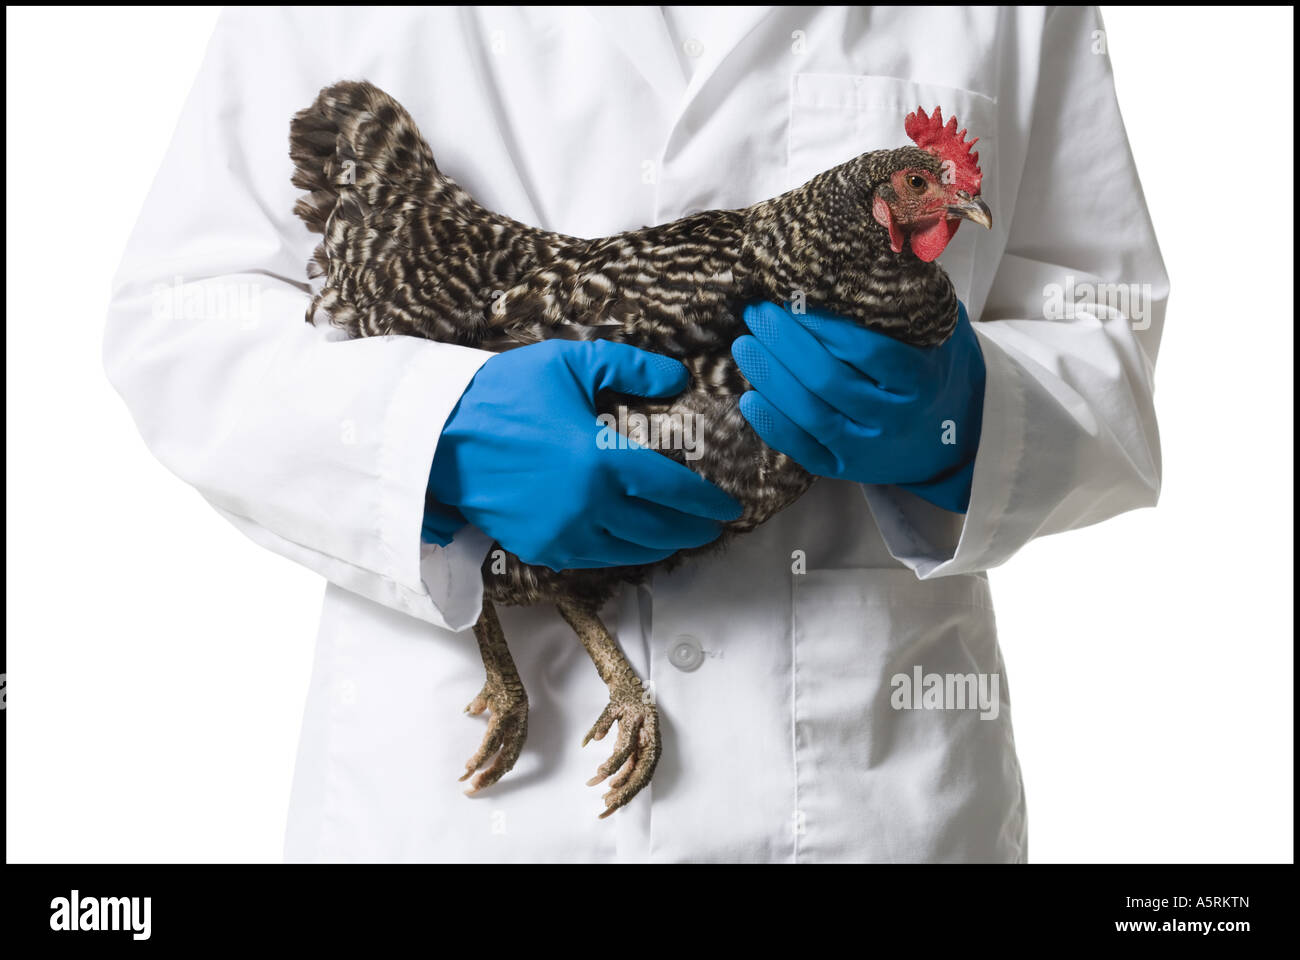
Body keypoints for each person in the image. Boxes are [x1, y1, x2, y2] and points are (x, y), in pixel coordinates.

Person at [104, 6, 1165, 862]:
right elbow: (180, 319)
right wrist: (429, 429)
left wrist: (965, 424)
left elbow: (1103, 323)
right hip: (460, 815)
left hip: (868, 800)